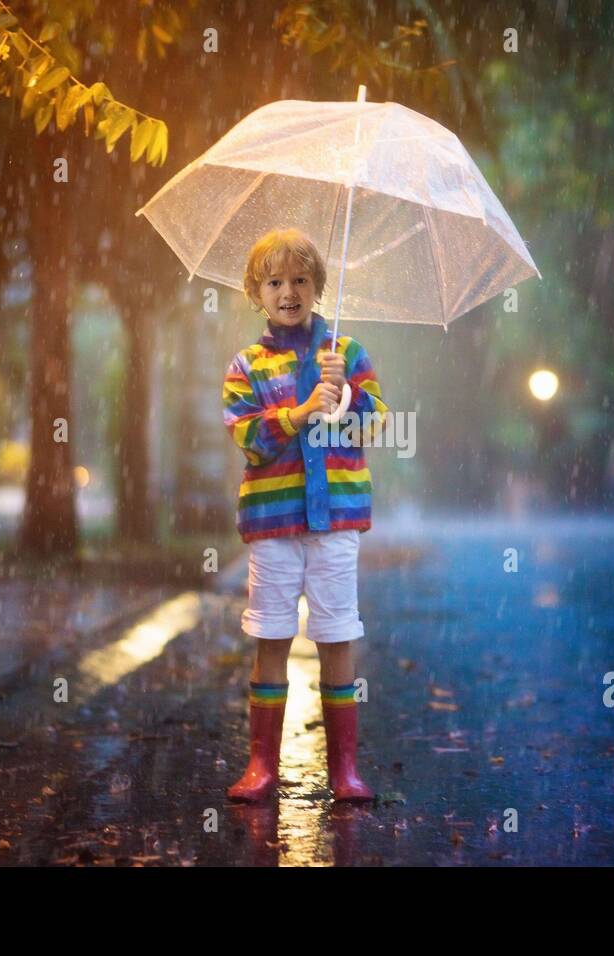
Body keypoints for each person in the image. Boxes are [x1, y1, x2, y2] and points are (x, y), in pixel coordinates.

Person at [221, 227, 387, 802]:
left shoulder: (347, 353)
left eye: (300, 279)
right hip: (273, 525)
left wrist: (345, 396)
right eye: (274, 281)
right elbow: (247, 438)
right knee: (271, 634)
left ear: (318, 287)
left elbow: (375, 423)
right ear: (256, 292)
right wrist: (296, 413)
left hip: (337, 521)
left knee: (337, 634)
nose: (288, 291)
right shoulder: (247, 364)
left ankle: (345, 770)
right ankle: (261, 765)